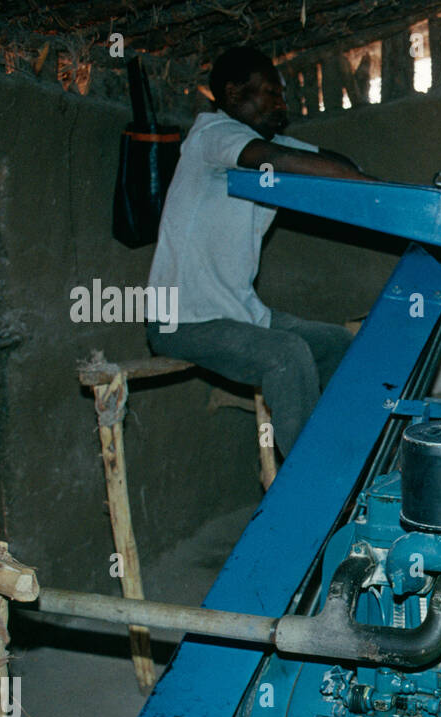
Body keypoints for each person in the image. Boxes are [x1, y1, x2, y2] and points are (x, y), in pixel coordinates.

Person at [147, 46, 376, 458]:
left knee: (337, 344)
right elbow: (278, 159)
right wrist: (364, 181)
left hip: (239, 312)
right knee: (285, 356)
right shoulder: (212, 135)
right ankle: (311, 481)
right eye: (270, 93)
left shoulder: (258, 140)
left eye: (282, 95)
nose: (281, 105)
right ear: (233, 94)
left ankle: (352, 455)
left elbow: (326, 160)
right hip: (182, 320)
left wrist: (361, 176)